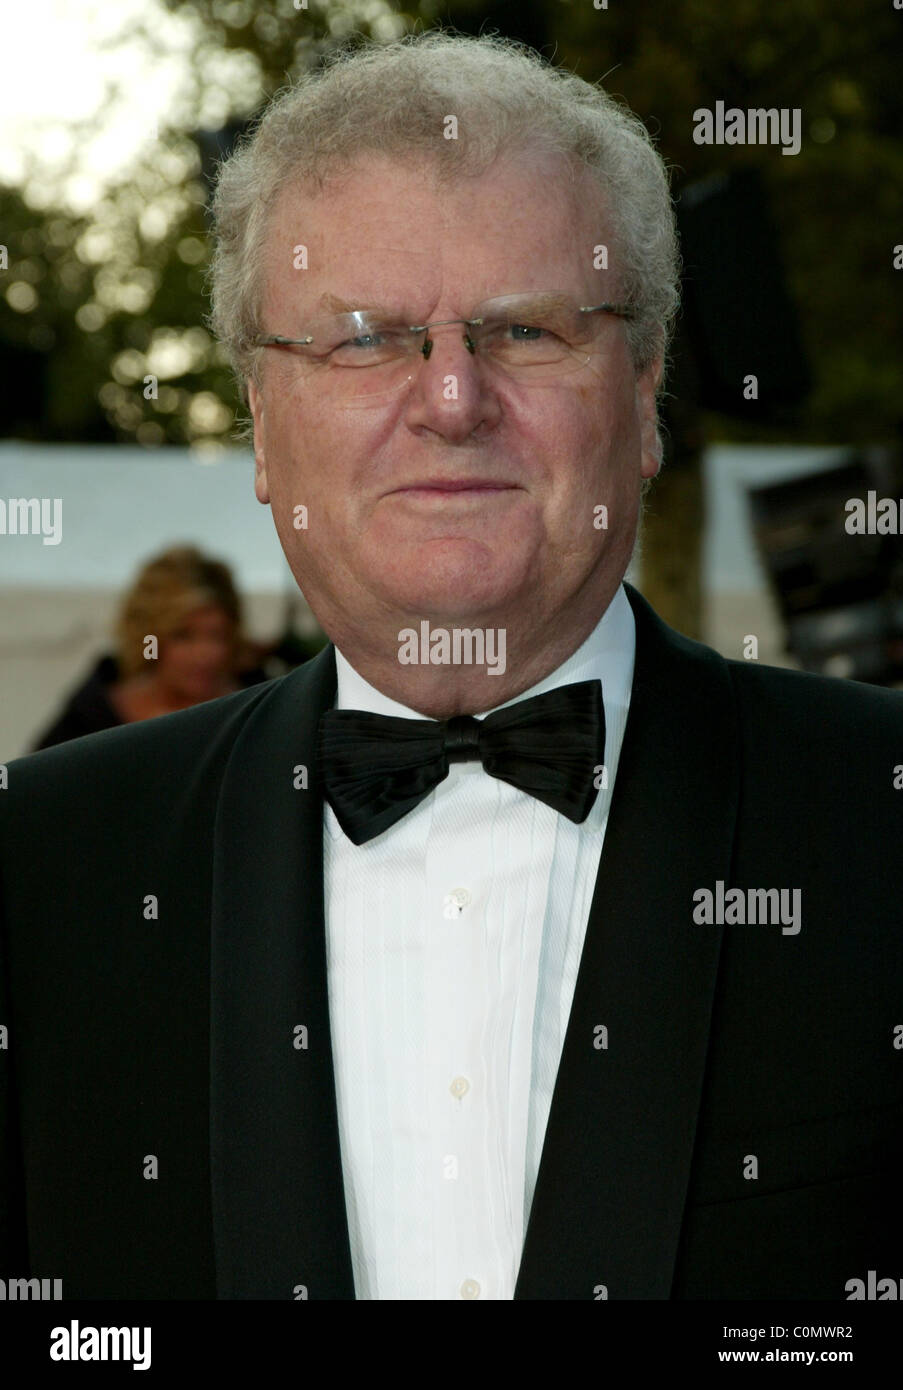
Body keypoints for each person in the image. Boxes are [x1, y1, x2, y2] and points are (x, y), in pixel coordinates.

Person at [1, 32, 901, 1302]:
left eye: (525, 329)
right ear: (259, 421)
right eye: (364, 338)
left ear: (645, 390)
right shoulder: (39, 867)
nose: (452, 398)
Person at [30, 544, 270, 750]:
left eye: (216, 635)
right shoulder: (91, 720)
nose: (203, 654)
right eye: (183, 636)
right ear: (149, 634)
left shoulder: (259, 714)